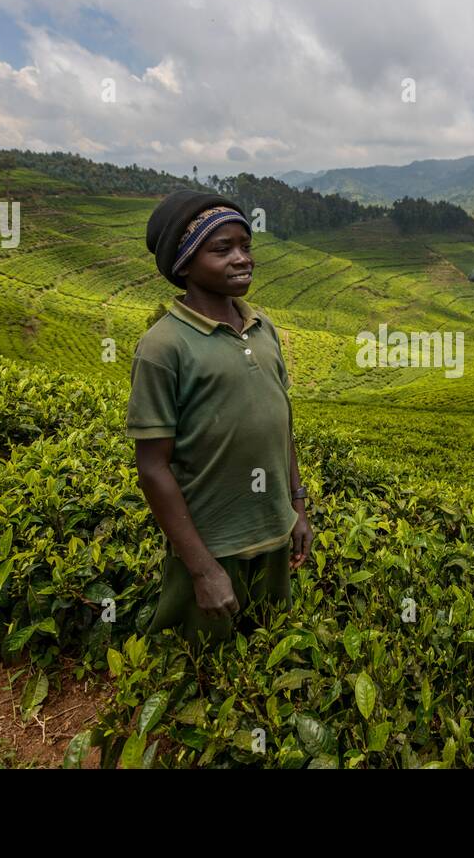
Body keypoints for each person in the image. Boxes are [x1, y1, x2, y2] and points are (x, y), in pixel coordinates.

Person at [127, 190, 313, 650]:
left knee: (266, 651)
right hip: (213, 542)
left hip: (273, 531)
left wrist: (297, 507)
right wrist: (203, 568)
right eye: (222, 249)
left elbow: (280, 422)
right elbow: (152, 468)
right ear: (184, 264)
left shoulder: (263, 328)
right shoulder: (164, 346)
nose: (241, 259)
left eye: (246, 246)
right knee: (199, 662)